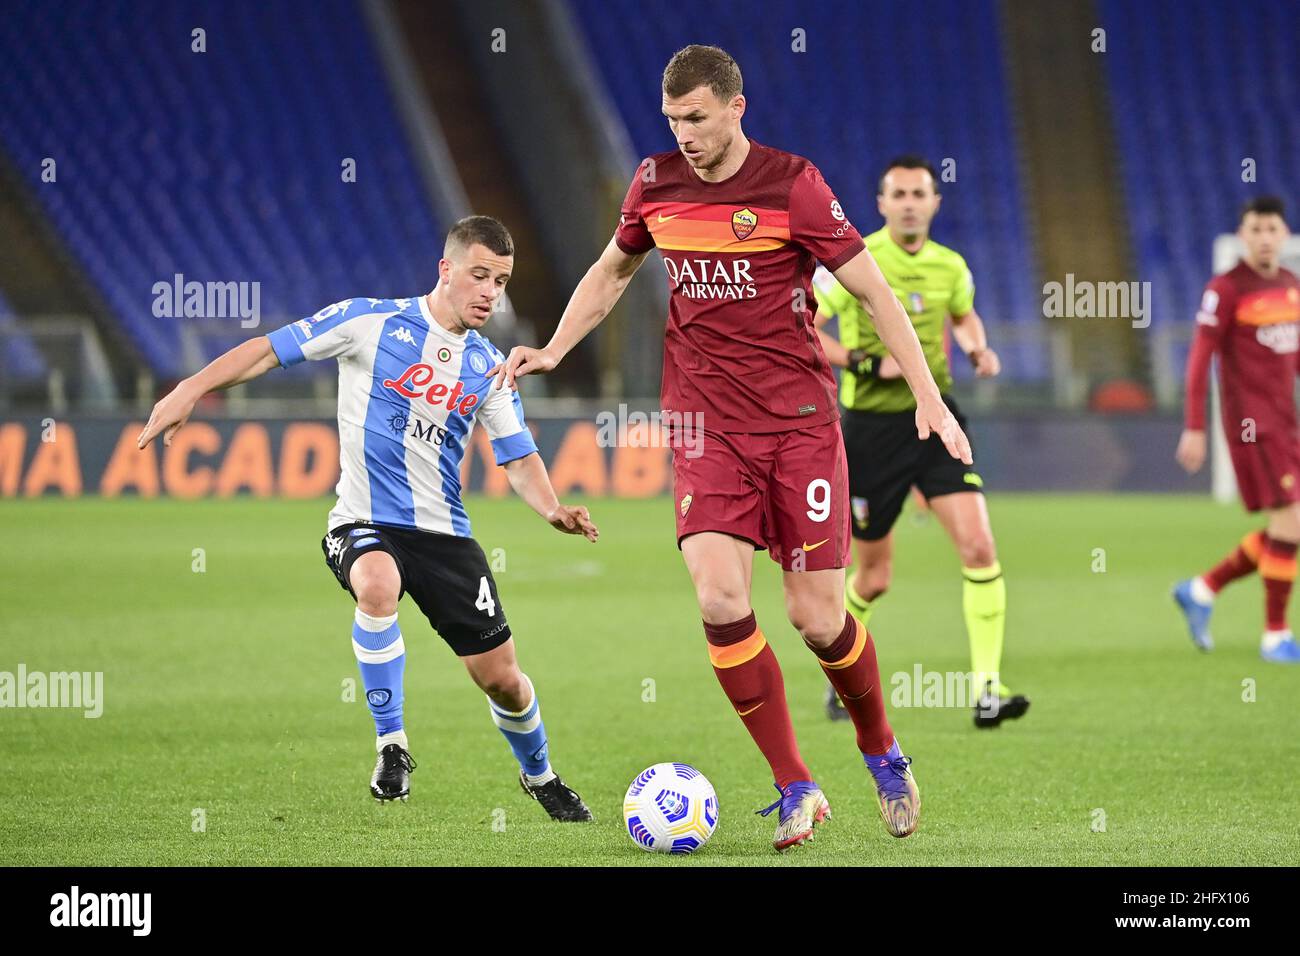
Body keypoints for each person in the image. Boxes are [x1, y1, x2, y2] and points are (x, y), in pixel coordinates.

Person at [492, 46, 971, 849]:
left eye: (698, 118)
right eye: (673, 119)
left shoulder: (795, 185)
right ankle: (795, 786)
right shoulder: (654, 185)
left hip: (799, 427)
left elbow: (872, 292)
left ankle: (881, 749)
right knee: (719, 599)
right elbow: (612, 272)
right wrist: (555, 348)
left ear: (736, 108)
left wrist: (928, 394)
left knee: (816, 618)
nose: (683, 133)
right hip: (704, 425)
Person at [138, 216, 600, 819]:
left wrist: (551, 508)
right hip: (362, 522)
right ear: (446, 269)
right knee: (376, 585)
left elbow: (516, 455)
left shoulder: (489, 365)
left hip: (445, 536)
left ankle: (540, 776)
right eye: (479, 275)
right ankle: (392, 745)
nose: (491, 291)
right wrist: (191, 389)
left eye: (502, 281)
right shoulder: (369, 321)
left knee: (502, 679)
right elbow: (270, 350)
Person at [812, 155, 1029, 727]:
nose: (909, 202)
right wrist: (861, 362)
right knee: (874, 577)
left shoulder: (950, 266)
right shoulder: (856, 261)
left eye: (919, 193)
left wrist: (978, 346)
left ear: (935, 202)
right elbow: (805, 325)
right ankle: (841, 672)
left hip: (936, 418)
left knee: (980, 547)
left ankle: (987, 687)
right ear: (881, 204)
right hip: (871, 434)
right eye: (898, 194)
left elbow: (964, 315)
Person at [1174, 196, 1300, 663]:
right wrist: (1194, 426)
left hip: (1286, 424)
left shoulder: (1291, 285)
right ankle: (1275, 635)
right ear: (1242, 235)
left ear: (1284, 234)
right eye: (1256, 229)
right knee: (1292, 522)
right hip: (1252, 426)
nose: (1265, 237)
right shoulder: (1226, 289)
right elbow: (1199, 357)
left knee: (1289, 527)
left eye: (1272, 229)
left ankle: (1202, 589)